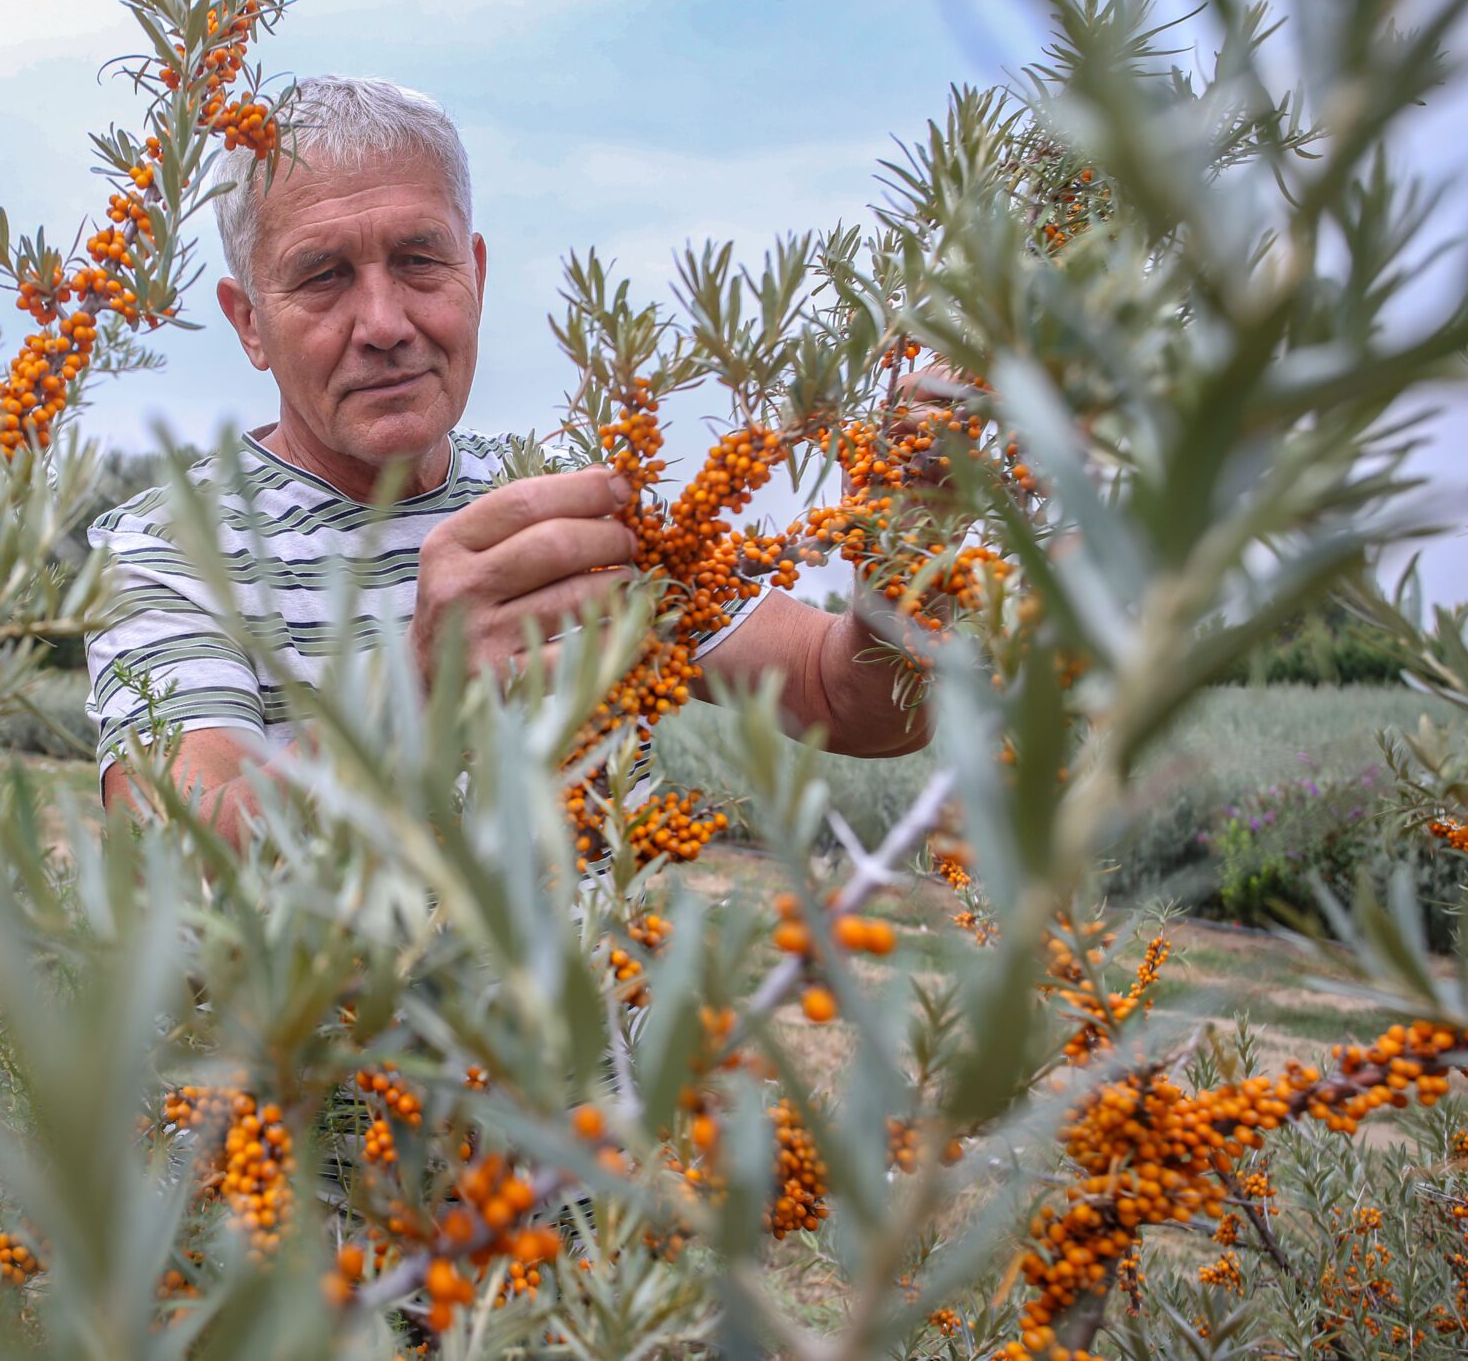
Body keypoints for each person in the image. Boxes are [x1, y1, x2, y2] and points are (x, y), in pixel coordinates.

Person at [86, 76, 932, 846]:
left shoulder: (574, 510)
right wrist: (413, 699)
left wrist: (912, 539)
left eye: (420, 261)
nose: (383, 323)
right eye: (323, 276)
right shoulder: (163, 551)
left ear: (476, 276)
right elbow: (169, 865)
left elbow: (854, 704)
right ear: (248, 323)